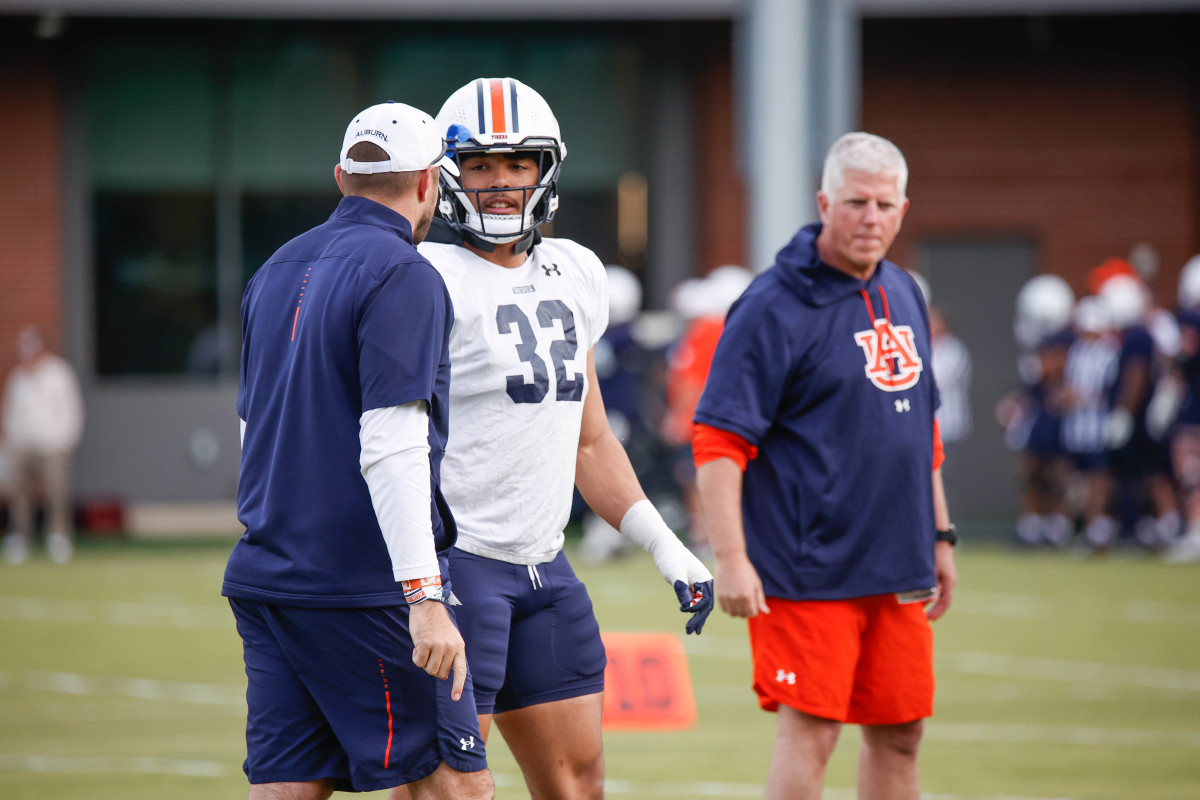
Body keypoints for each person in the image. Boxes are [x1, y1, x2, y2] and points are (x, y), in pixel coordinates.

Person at [404, 77, 714, 800]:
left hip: (546, 568)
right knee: (444, 787)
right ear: (447, 173)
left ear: (547, 170)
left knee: (577, 784)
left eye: (520, 164)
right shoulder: (423, 278)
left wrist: (669, 550)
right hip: (457, 566)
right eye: (482, 164)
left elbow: (591, 441)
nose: (503, 183)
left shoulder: (575, 270)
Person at [223, 101, 492, 800]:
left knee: (288, 788)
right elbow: (394, 444)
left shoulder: (274, 269)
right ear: (431, 182)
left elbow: (252, 430)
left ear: (341, 177)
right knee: (458, 787)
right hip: (360, 585)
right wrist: (425, 596)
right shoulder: (404, 273)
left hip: (269, 575)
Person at [693, 132, 957, 800]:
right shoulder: (769, 306)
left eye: (885, 204)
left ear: (904, 208)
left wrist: (942, 536)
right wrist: (731, 558)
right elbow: (719, 442)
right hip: (807, 568)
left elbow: (921, 430)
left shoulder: (905, 291)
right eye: (856, 202)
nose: (872, 218)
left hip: (899, 560)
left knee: (902, 732)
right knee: (813, 733)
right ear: (823, 203)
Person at [2, 325, 84, 565]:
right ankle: (20, 538)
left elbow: (71, 409)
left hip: (53, 444)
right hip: (23, 445)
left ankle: (58, 538)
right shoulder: (18, 377)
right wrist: (11, 442)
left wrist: (65, 439)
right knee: (20, 495)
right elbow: (10, 412)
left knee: (56, 493)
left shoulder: (58, 373)